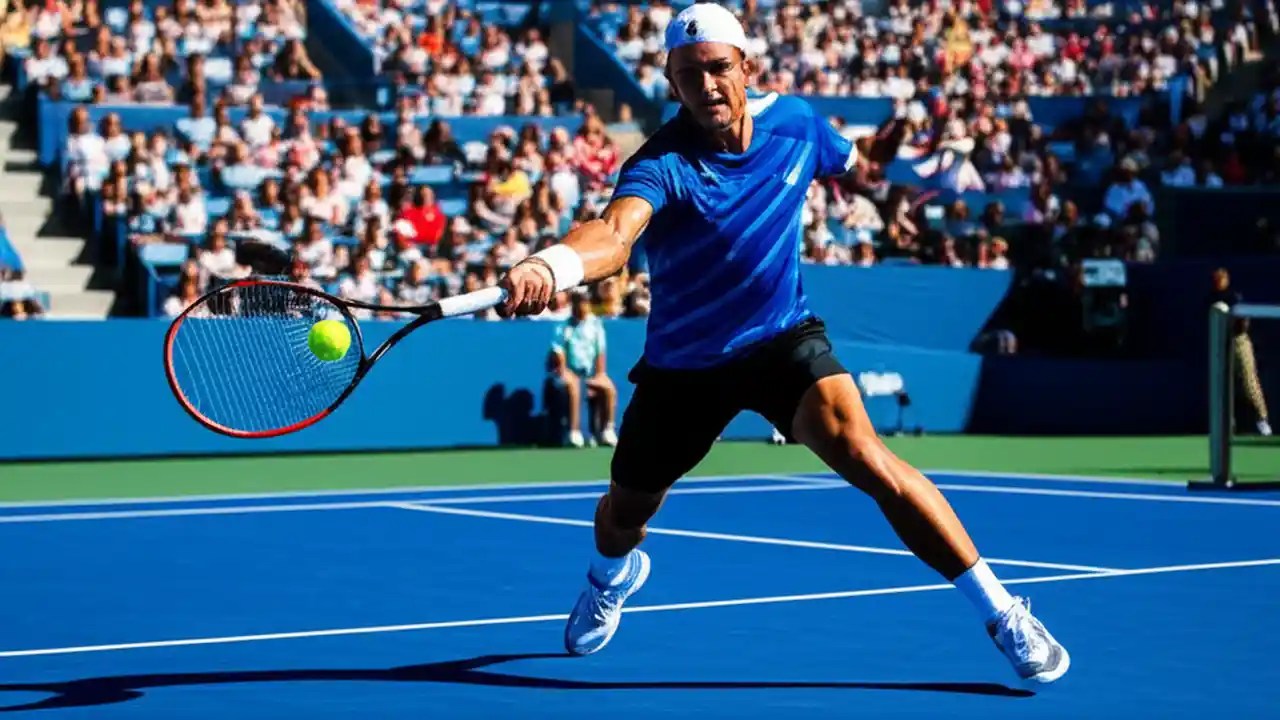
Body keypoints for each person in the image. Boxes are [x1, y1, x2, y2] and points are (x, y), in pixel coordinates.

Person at [497, 3, 1068, 686]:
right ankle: (610, 576)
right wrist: (550, 265)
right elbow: (615, 235)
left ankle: (1004, 613)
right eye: (688, 75)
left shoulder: (797, 123)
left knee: (869, 458)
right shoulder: (661, 164)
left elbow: (855, 167)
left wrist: (885, 162)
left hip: (780, 340)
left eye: (717, 69)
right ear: (670, 83)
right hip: (686, 369)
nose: (706, 85)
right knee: (624, 514)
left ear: (746, 66)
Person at [549, 290, 619, 447]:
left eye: (585, 302)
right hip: (569, 373)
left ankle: (607, 431)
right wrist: (565, 372)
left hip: (590, 375)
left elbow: (600, 352)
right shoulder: (563, 326)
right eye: (579, 302)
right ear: (573, 304)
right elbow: (558, 353)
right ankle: (574, 432)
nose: (583, 305)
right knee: (573, 386)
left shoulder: (595, 324)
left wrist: (600, 374)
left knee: (609, 388)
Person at [1211, 268, 1272, 437]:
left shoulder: (1234, 297)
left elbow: (1244, 322)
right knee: (1222, 386)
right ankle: (1227, 424)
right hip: (1220, 343)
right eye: (1217, 279)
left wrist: (1235, 326)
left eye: (1222, 278)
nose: (1219, 281)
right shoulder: (1211, 299)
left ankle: (1262, 421)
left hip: (1239, 342)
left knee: (1249, 381)